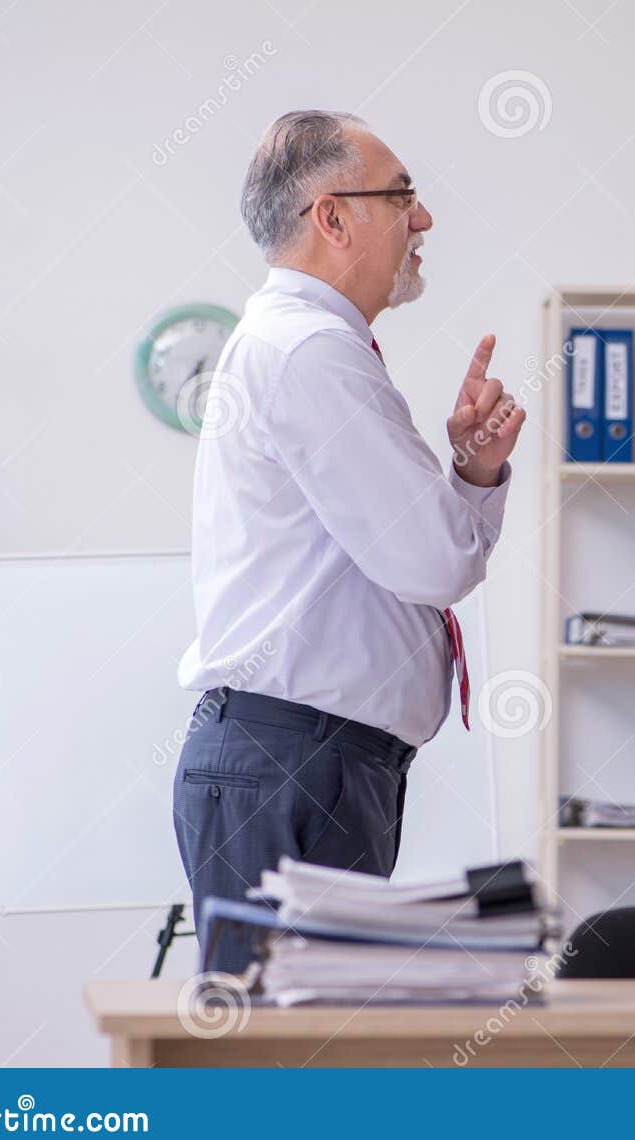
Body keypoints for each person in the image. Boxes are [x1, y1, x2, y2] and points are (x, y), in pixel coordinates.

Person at [172, 110, 524, 973]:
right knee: (287, 1073)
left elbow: (419, 553)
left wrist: (470, 475)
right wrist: (467, 486)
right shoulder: (309, 351)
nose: (425, 219)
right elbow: (436, 562)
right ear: (332, 218)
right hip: (297, 763)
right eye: (404, 195)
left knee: (302, 1062)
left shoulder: (312, 347)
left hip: (310, 763)